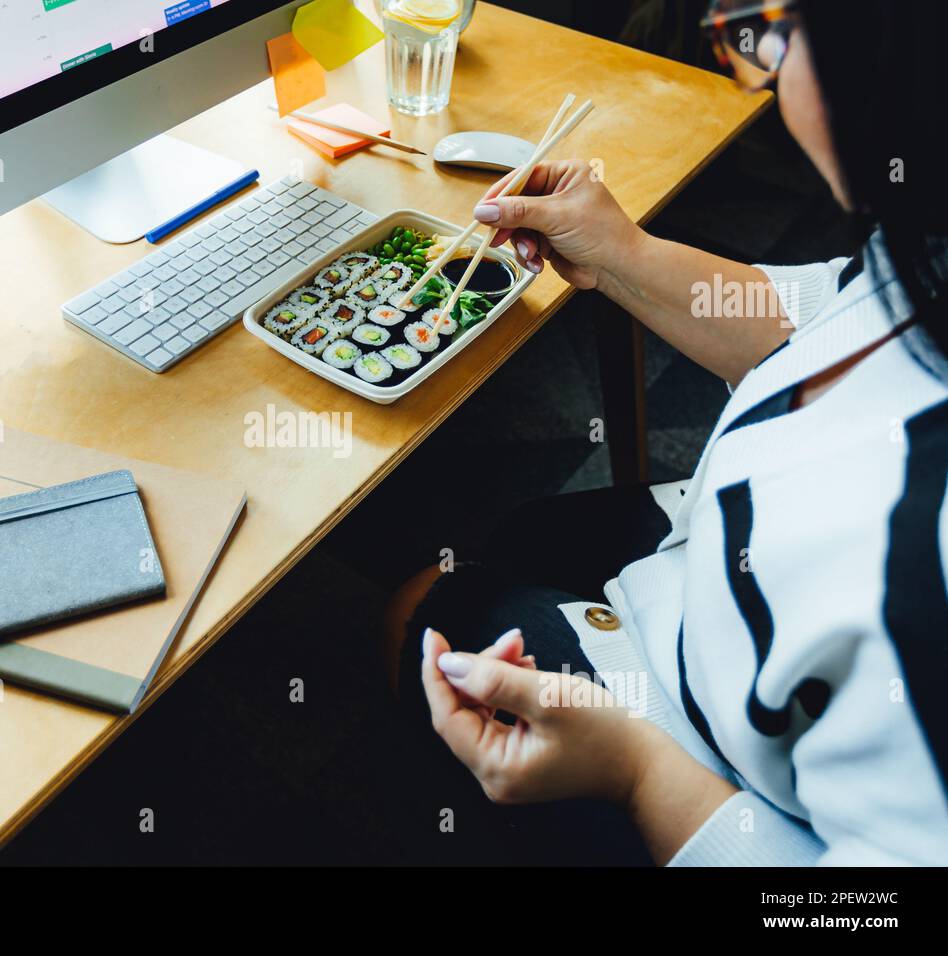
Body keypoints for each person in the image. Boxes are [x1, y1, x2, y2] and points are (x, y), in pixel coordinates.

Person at [386, 0, 948, 865]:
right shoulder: (925, 244)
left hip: (703, 763)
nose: (754, 65)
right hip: (709, 560)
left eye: (764, 31)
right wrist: (622, 254)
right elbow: (822, 317)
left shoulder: (913, 582)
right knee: (523, 534)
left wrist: (635, 773)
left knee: (420, 606)